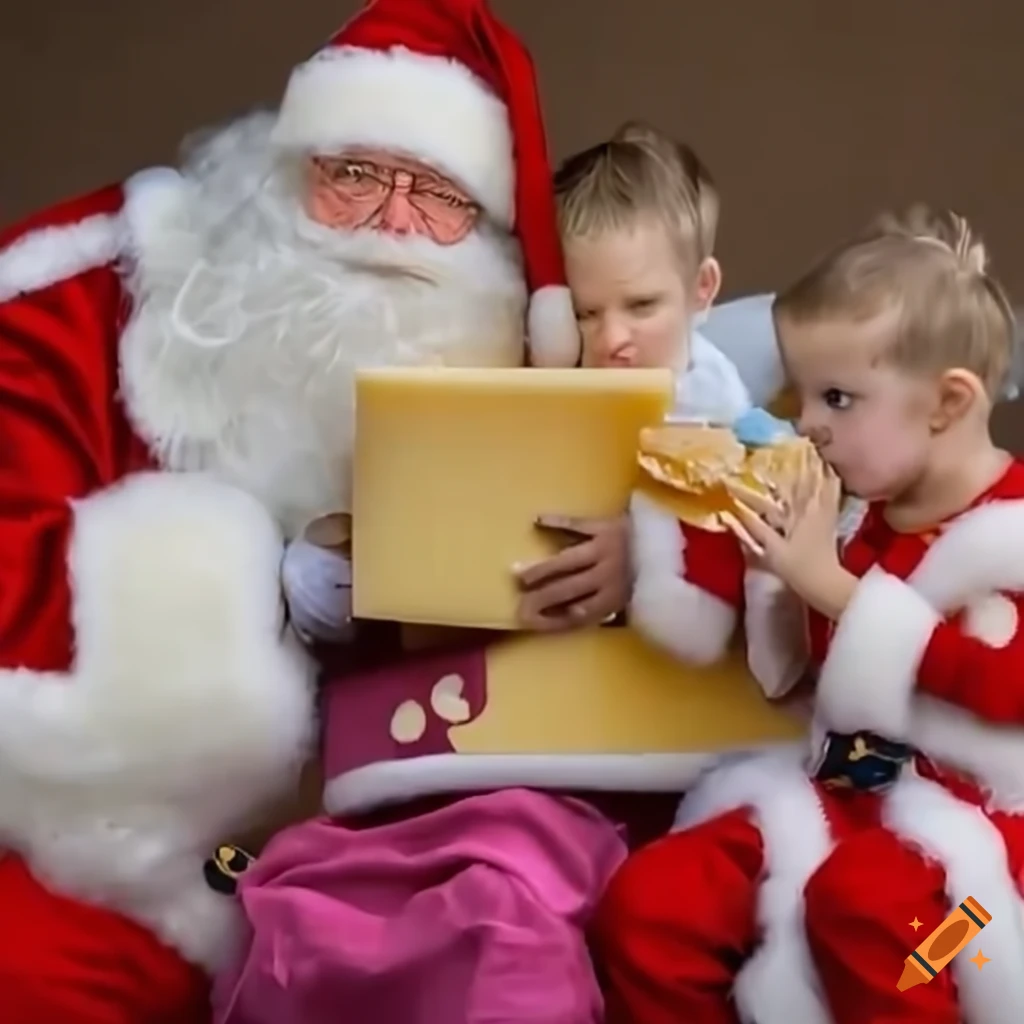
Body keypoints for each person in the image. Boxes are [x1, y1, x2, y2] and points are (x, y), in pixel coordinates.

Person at [0, 0, 584, 1020]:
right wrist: (253, 592)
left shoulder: (515, 381)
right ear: (280, 171)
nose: (390, 223)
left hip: (333, 853)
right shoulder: (79, 290)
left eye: (438, 196)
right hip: (79, 828)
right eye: (352, 175)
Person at [592, 206, 1024, 1024]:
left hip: (994, 873)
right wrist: (777, 577)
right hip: (852, 799)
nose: (806, 425)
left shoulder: (1014, 535)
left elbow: (1007, 689)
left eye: (837, 398)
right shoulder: (862, 519)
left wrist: (827, 584)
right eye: (801, 394)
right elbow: (815, 685)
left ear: (946, 404)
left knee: (885, 930)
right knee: (653, 902)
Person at [540, 121, 804, 685]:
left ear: (701, 290)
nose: (612, 338)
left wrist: (640, 552)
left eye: (640, 305)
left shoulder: (713, 397)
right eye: (586, 312)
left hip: (679, 691)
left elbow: (750, 528)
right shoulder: (549, 377)